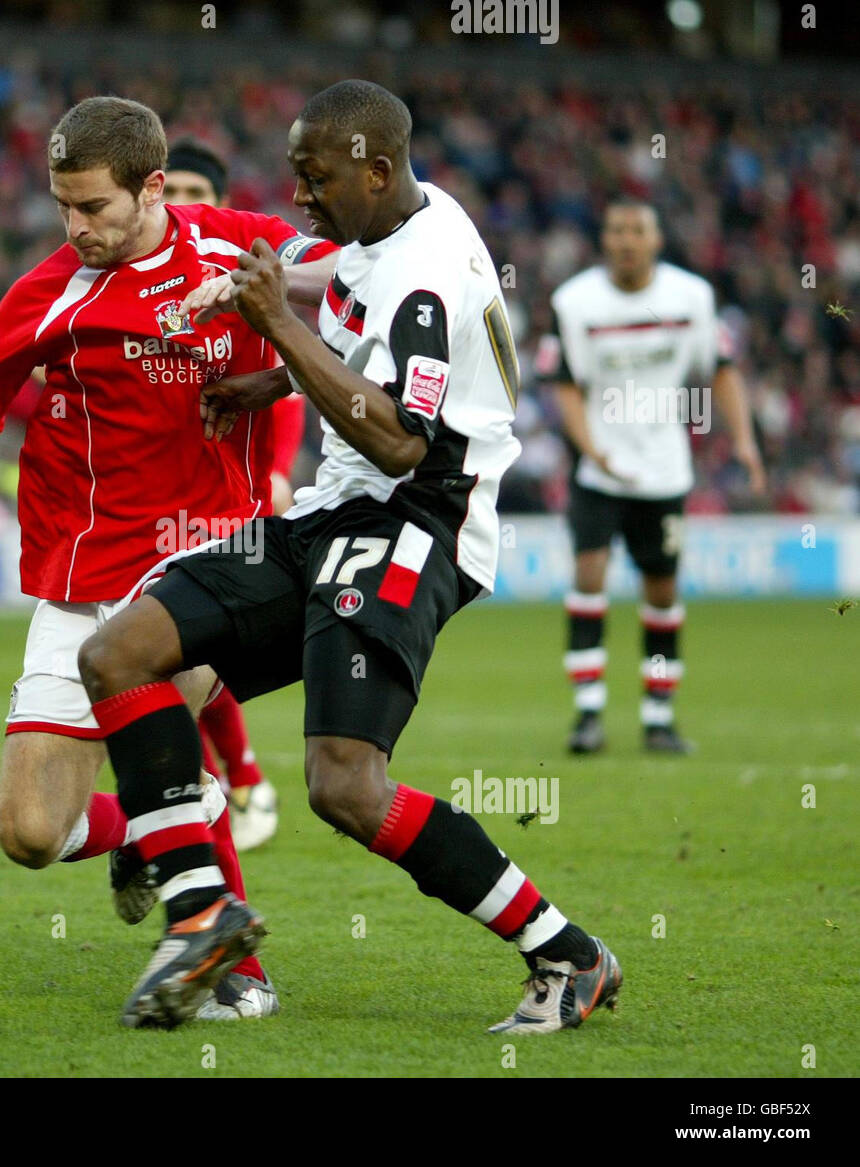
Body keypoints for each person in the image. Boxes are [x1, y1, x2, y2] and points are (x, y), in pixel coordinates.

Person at [78, 80, 622, 1033]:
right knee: (123, 654)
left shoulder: (425, 271)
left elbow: (405, 440)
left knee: (343, 784)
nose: (298, 196)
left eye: (314, 175)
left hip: (416, 519)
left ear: (375, 170)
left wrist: (276, 322)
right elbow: (357, 322)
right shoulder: (404, 221)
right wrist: (271, 379)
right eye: (295, 173)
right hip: (335, 509)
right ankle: (201, 906)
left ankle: (567, 953)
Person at [0, 96, 336, 1021]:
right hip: (80, 581)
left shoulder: (243, 245)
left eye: (93, 207)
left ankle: (233, 967)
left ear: (150, 188)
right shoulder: (49, 292)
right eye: (63, 205)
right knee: (28, 833)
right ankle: (154, 827)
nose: (76, 226)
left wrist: (274, 359)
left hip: (204, 565)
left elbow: (358, 287)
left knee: (162, 750)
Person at [538, 198, 766, 755]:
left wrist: (744, 441)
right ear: (604, 239)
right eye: (616, 229)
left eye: (637, 229)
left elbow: (721, 370)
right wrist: (591, 447)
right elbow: (562, 382)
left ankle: (658, 716)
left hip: (664, 471)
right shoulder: (574, 302)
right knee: (589, 577)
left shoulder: (692, 298)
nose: (626, 239)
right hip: (599, 470)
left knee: (661, 591)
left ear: (657, 239)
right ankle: (588, 714)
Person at [164, 137, 294, 852]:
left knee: (182, 650)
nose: (180, 204)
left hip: (228, 490)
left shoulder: (241, 272)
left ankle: (225, 786)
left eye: (194, 191)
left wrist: (277, 466)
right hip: (156, 491)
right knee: (170, 655)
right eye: (170, 190)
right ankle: (226, 785)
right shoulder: (140, 273)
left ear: (218, 202)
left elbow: (287, 371)